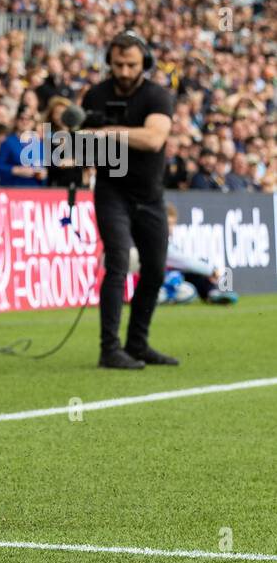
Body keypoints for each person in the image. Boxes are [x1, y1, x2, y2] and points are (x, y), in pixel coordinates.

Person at [80, 32, 176, 369]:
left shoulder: (157, 95)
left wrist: (107, 133)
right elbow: (82, 143)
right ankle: (110, 348)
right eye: (118, 64)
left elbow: (153, 139)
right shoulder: (95, 95)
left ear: (144, 63)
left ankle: (137, 343)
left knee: (155, 270)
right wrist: (76, 143)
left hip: (150, 194)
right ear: (110, 62)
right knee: (118, 262)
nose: (124, 71)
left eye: (131, 65)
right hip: (112, 191)